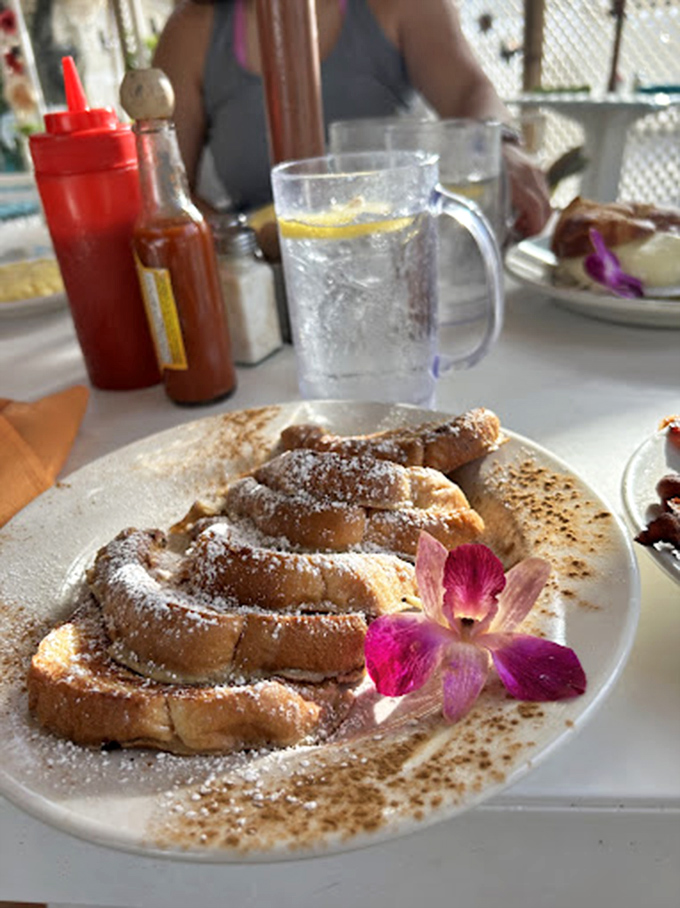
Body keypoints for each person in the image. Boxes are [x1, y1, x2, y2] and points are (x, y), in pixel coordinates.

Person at [153, 0, 551, 238]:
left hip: (394, 247)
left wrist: (500, 143)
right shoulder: (192, 31)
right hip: (261, 278)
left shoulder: (399, 6)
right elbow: (166, 187)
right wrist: (238, 243)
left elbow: (471, 92)